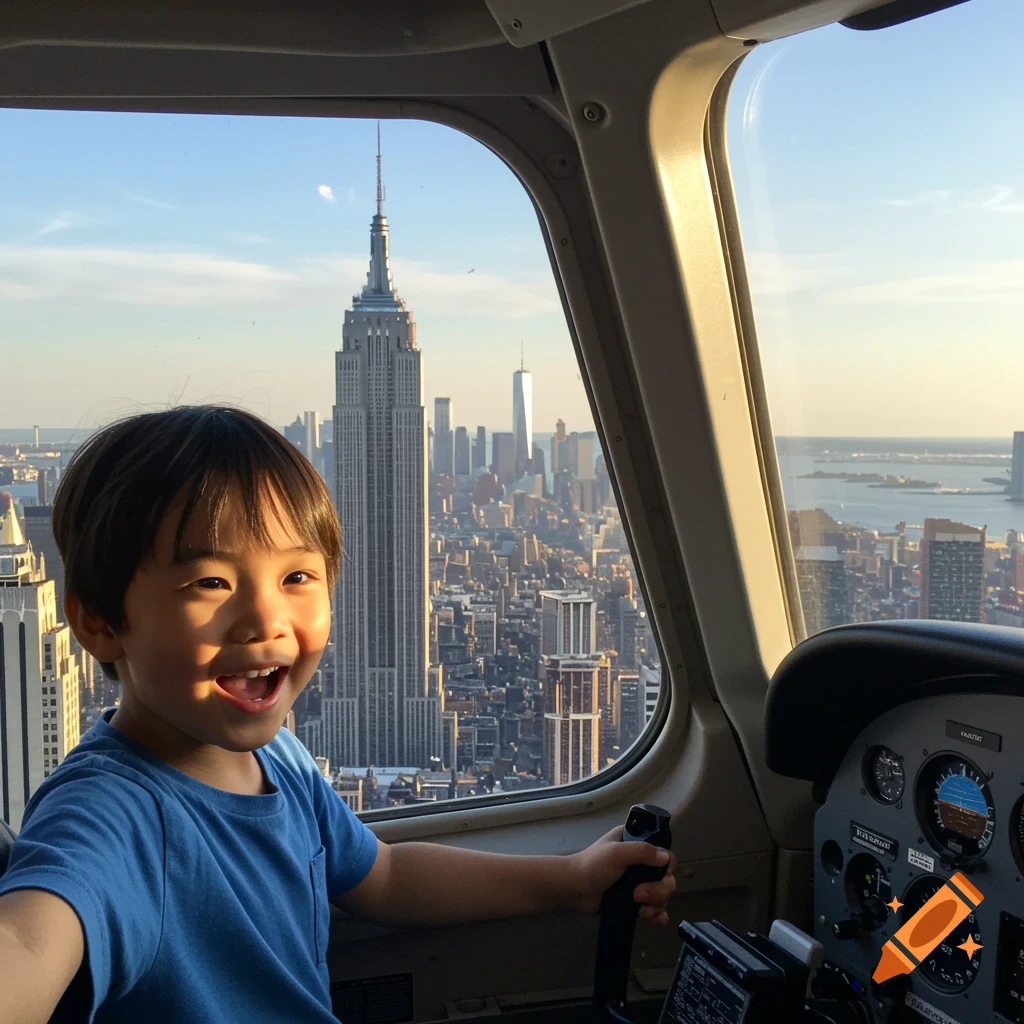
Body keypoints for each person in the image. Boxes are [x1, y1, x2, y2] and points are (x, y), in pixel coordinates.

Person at [0, 406, 677, 1024]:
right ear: (98, 624)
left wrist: (570, 879)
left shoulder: (278, 760)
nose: (266, 619)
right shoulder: (112, 815)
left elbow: (383, 876)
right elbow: (31, 941)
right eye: (211, 583)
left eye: (298, 577)